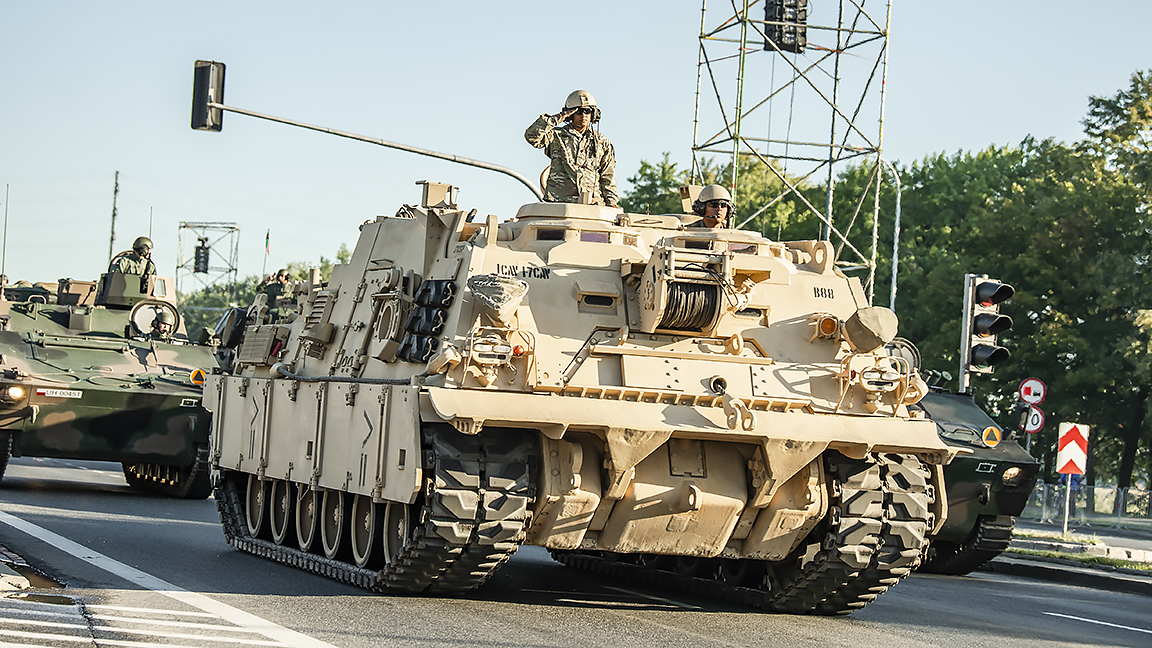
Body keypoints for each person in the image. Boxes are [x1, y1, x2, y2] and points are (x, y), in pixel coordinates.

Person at [524, 90, 618, 207]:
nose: (583, 115)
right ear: (570, 114)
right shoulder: (556, 136)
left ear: (593, 114)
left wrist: (612, 204)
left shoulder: (601, 142)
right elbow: (531, 136)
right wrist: (558, 118)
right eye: (578, 111)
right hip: (560, 204)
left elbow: (607, 175)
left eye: (587, 111)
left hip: (593, 205)